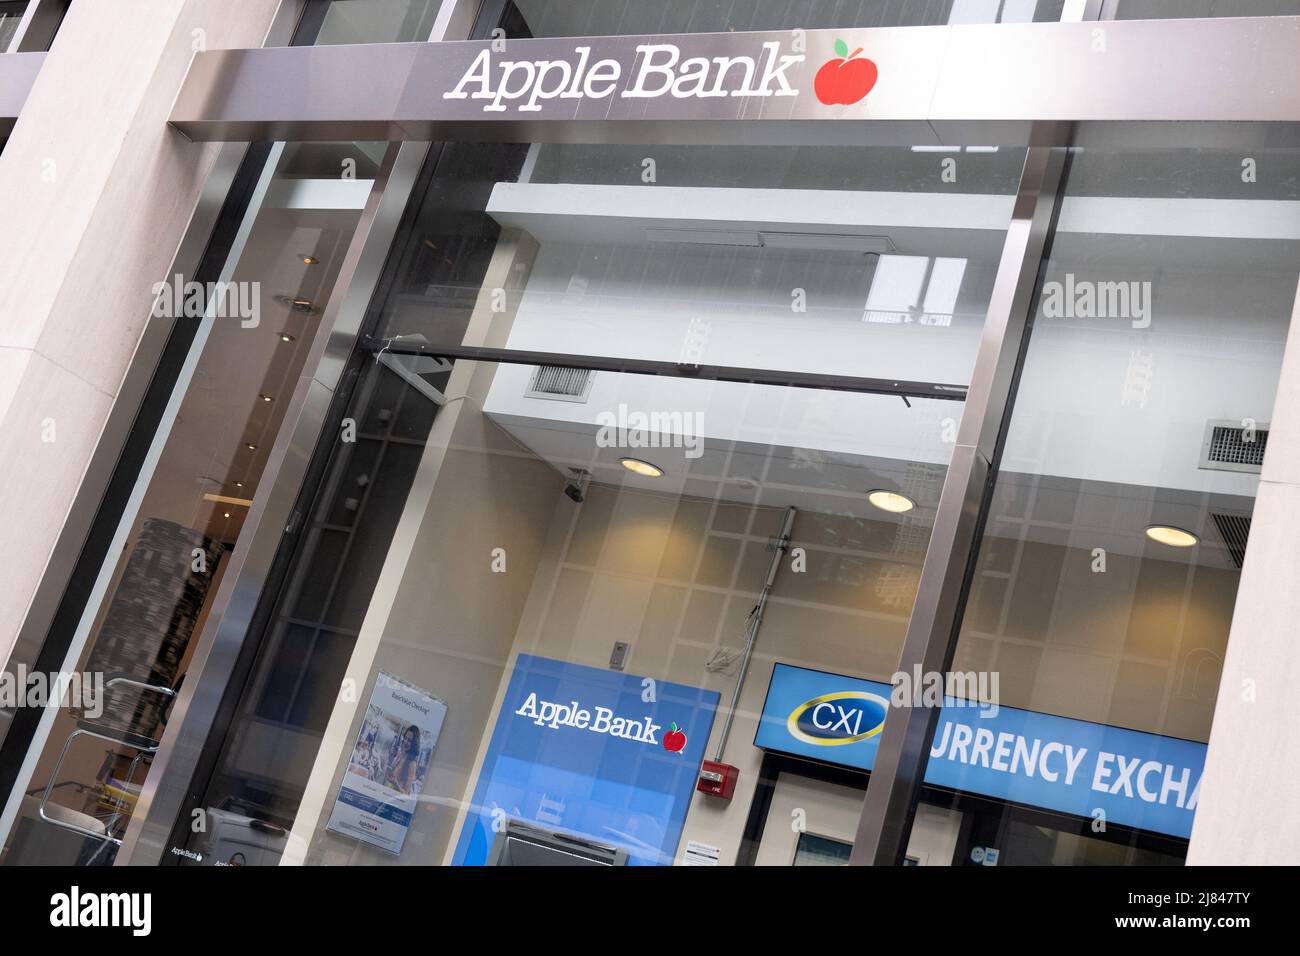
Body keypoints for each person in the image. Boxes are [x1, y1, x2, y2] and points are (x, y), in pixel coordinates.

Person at [384, 724, 420, 794]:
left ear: (414, 743)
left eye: (409, 740)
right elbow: (390, 776)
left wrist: (396, 784)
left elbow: (406, 793)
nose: (405, 742)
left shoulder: (412, 764)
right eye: (405, 738)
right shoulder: (401, 753)